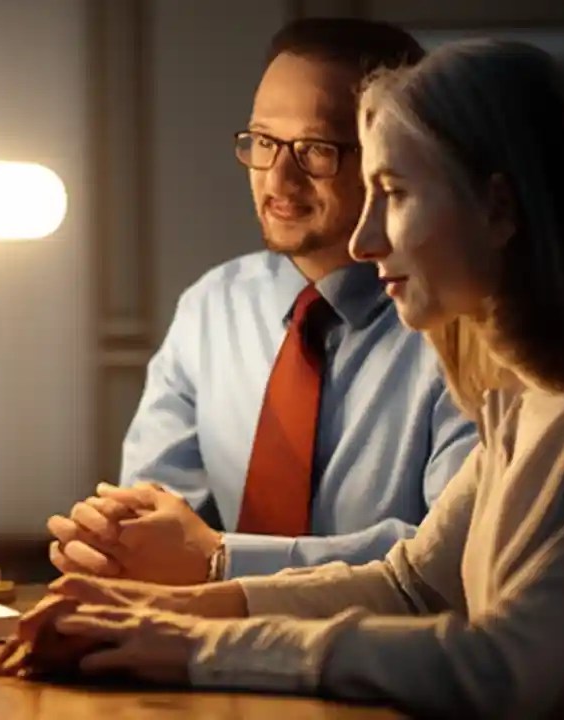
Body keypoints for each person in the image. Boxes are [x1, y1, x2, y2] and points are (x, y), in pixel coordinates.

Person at [0, 38, 564, 719]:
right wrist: (170, 610)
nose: (367, 242)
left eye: (393, 192)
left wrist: (199, 643)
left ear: (499, 209)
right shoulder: (520, 399)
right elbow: (411, 583)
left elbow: (500, 668)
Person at [48, 17, 479, 586]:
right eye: (264, 141)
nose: (278, 177)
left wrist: (222, 559)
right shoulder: (211, 308)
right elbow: (157, 508)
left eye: (315, 150)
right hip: (195, 645)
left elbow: (449, 553)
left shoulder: (458, 322)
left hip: (383, 657)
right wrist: (114, 537)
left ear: (389, 157)